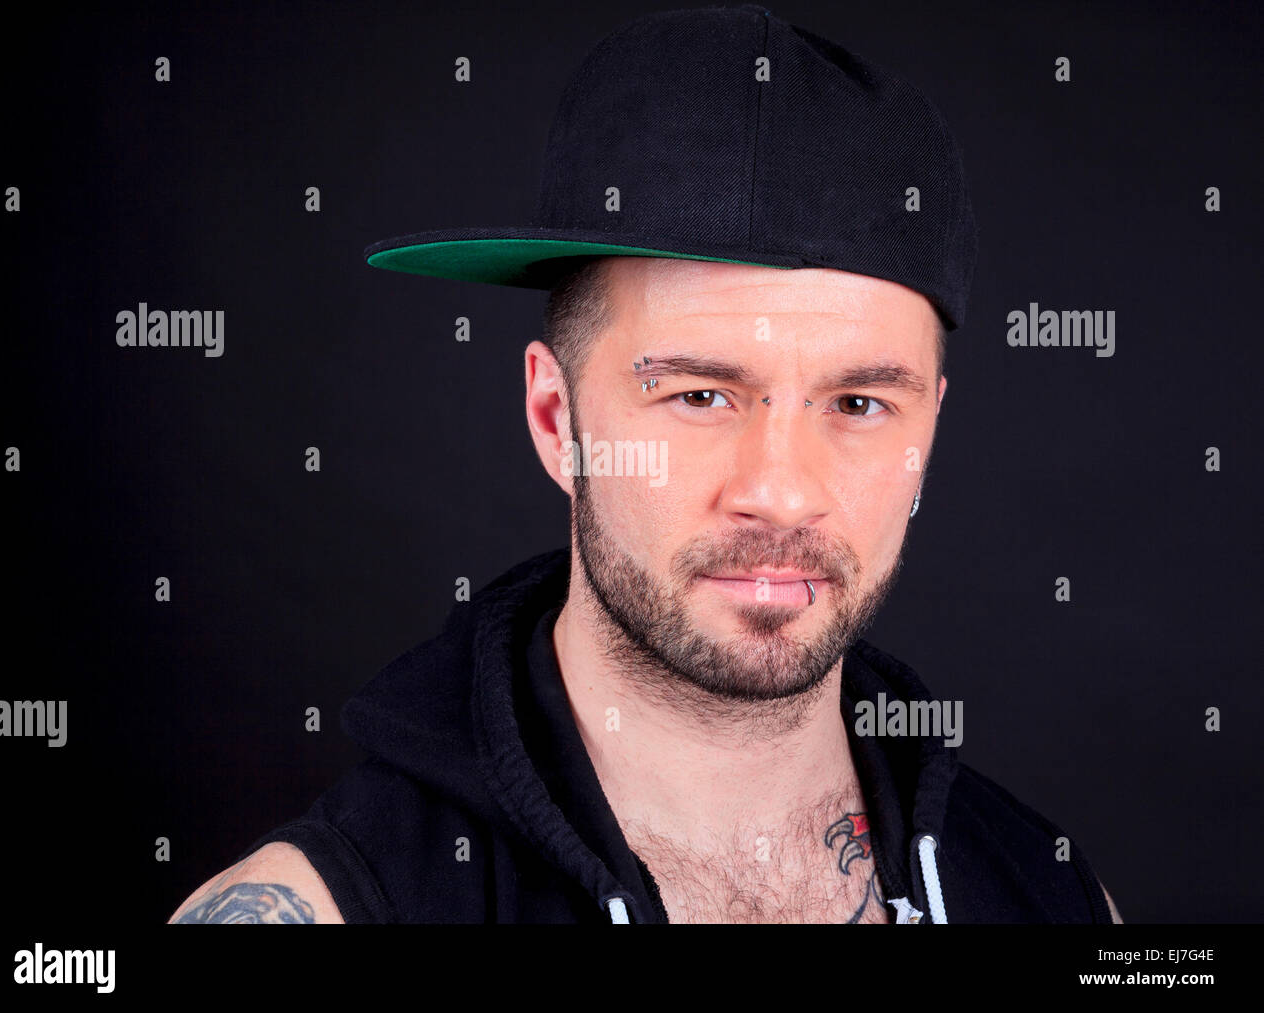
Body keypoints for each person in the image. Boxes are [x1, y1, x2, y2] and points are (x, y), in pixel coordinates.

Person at [170, 4, 1121, 924]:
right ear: (557, 418)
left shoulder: (1054, 895)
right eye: (700, 395)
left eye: (859, 403)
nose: (779, 491)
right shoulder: (331, 908)